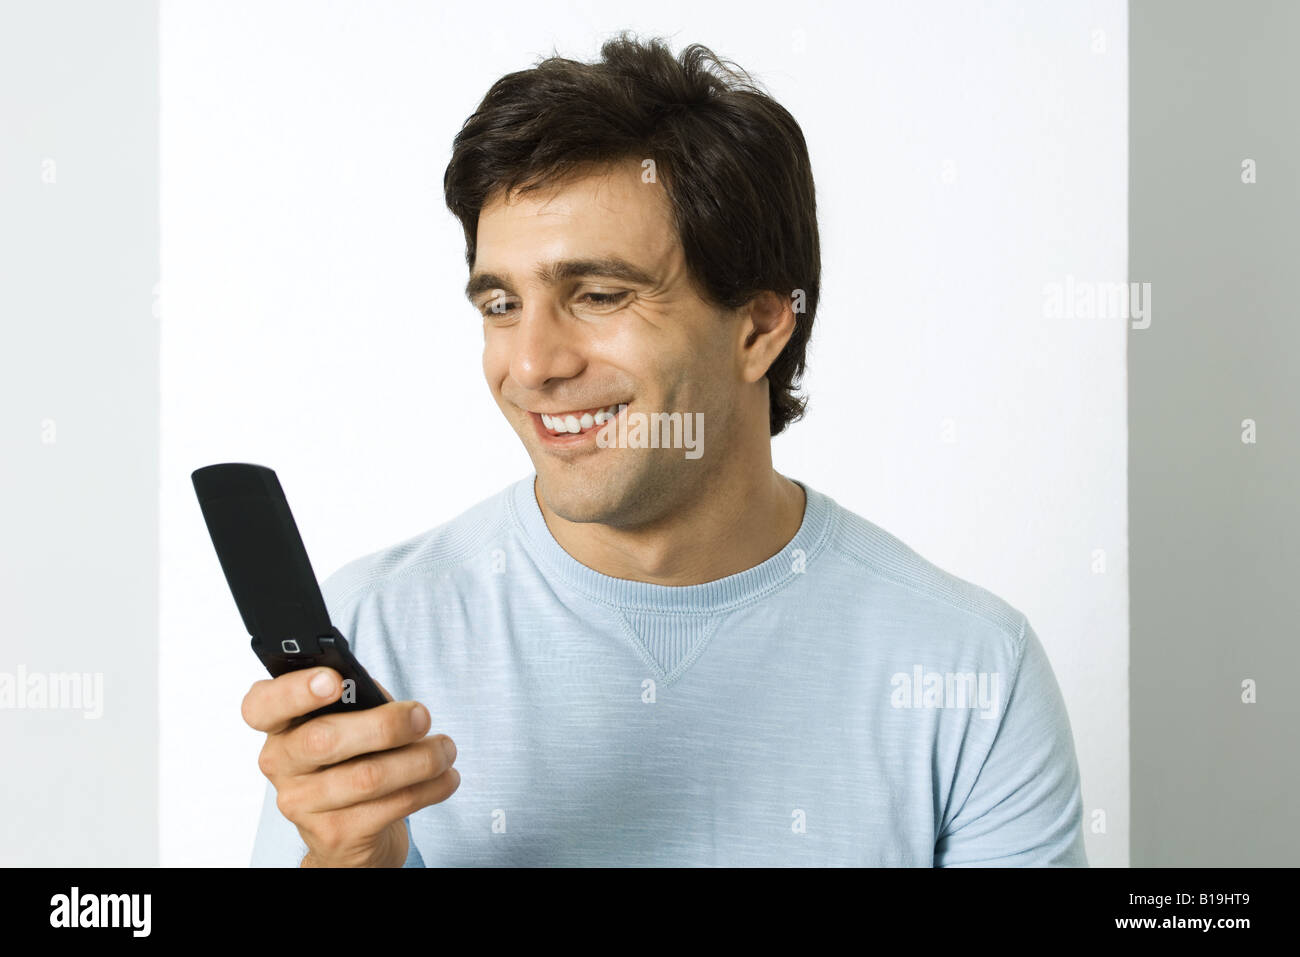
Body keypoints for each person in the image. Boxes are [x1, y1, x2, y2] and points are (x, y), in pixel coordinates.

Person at [245, 33, 1087, 867]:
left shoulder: (969, 671)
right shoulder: (376, 630)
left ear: (758, 327)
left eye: (600, 294)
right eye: (501, 304)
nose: (532, 365)